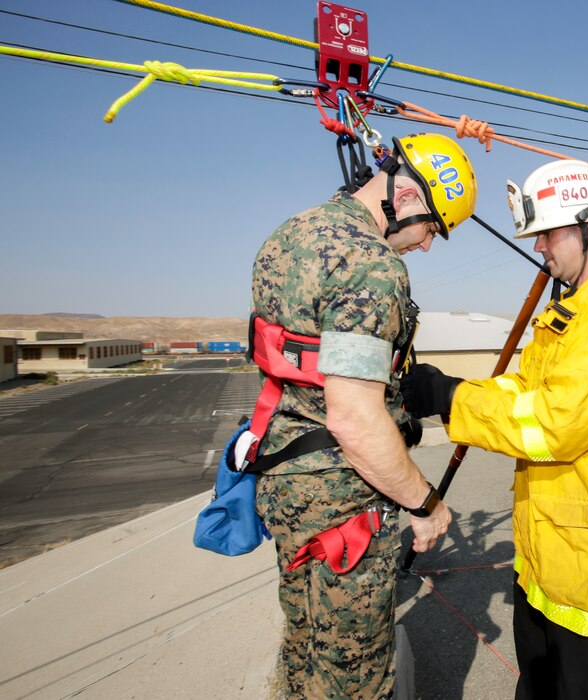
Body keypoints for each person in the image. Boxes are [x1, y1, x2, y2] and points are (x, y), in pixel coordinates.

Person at [402, 159, 588, 699]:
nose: (539, 247)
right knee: (538, 688)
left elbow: (555, 426)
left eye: (546, 233)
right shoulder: (570, 313)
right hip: (548, 557)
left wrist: (452, 399)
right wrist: (452, 389)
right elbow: (525, 393)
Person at [250, 132, 477, 698]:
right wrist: (424, 502)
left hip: (284, 481)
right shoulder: (373, 266)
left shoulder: (290, 234)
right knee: (353, 675)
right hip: (342, 501)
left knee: (305, 648)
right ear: (403, 198)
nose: (427, 246)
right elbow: (354, 420)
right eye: (433, 228)